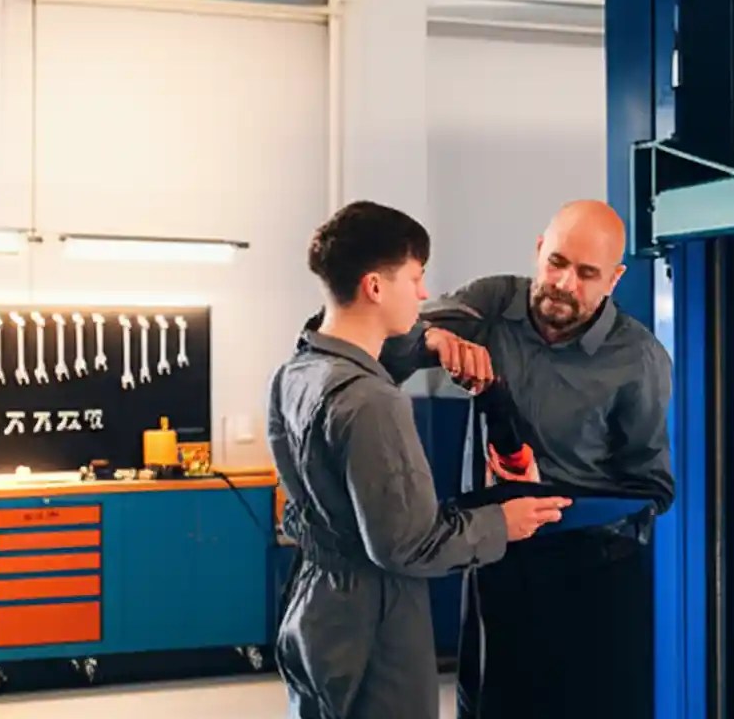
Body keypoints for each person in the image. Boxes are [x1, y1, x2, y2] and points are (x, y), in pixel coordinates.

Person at [266, 200, 572, 719]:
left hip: (314, 604)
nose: (425, 293)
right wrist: (503, 522)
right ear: (375, 287)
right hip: (374, 616)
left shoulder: (295, 373)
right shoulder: (372, 401)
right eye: (415, 277)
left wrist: (429, 343)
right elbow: (406, 544)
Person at [379, 199, 674, 719]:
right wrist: (433, 340)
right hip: (496, 562)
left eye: (587, 274)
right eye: (556, 262)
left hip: (592, 570)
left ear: (614, 279)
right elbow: (384, 347)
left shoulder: (639, 358)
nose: (564, 284)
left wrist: (549, 504)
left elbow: (652, 489)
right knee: (490, 705)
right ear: (539, 250)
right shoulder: (492, 304)